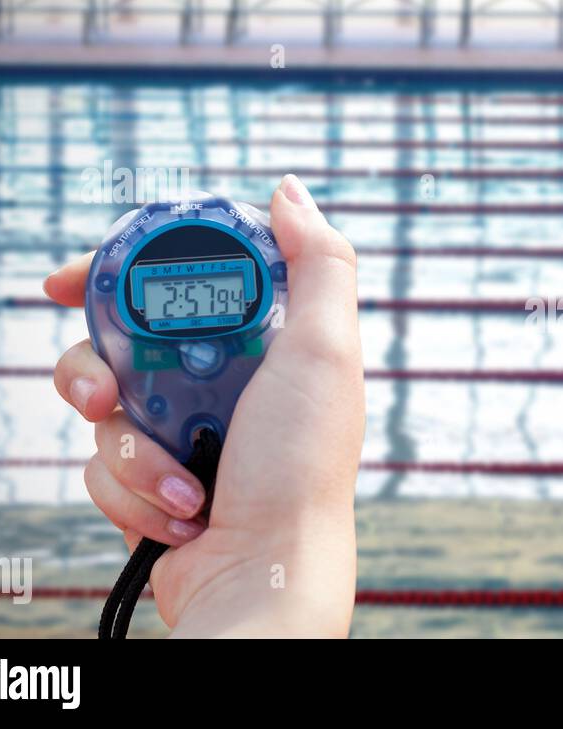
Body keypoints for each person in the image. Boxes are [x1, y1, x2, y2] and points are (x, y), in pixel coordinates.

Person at [45, 175, 366, 637]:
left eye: (217, 295)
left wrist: (259, 571)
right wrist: (254, 588)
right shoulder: (126, 269)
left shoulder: (124, 273)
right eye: (173, 299)